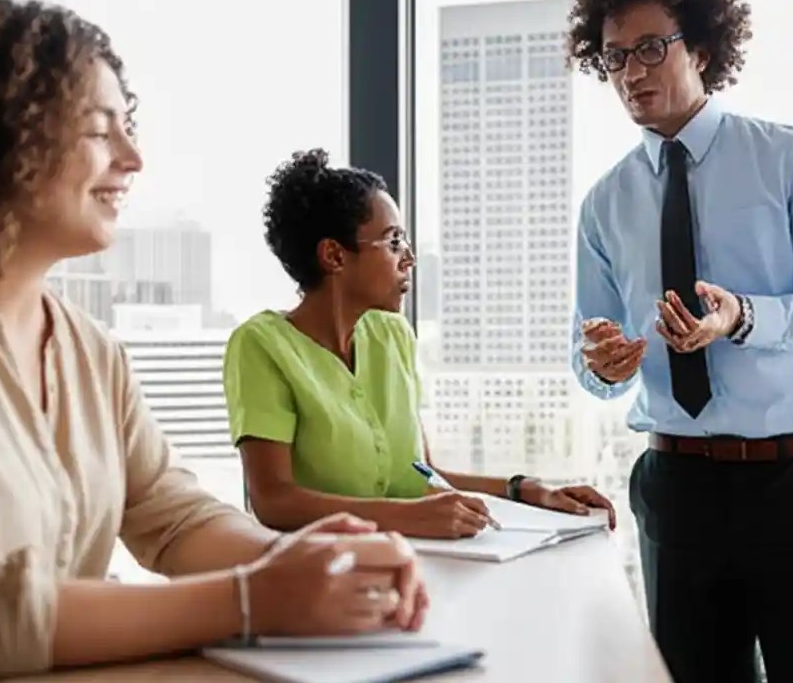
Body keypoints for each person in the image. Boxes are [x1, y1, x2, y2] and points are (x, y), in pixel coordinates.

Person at [0, 0, 425, 681]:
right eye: (99, 131)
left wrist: (302, 562)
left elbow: (173, 517)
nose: (134, 158)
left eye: (129, 127)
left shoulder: (87, 347)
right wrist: (254, 598)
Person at [566, 0, 793, 682]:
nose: (630, 73)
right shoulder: (604, 204)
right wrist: (602, 364)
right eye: (614, 56)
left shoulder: (792, 160)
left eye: (651, 48)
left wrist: (745, 317)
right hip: (676, 489)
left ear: (703, 48)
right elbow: (588, 359)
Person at [224, 149, 617, 539]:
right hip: (321, 567)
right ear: (334, 256)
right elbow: (274, 500)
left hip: (412, 560)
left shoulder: (392, 335)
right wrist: (405, 518)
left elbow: (423, 475)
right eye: (394, 241)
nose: (409, 258)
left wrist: (530, 490)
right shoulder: (261, 345)